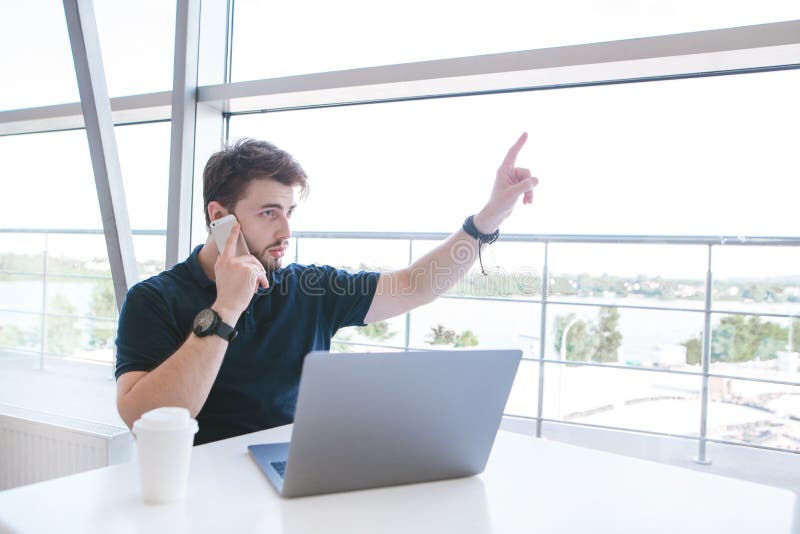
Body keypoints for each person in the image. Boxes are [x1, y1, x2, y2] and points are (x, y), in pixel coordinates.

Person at [115, 134, 539, 445]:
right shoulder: (153, 299)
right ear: (219, 216)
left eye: (289, 212)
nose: (286, 230)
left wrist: (488, 220)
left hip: (293, 480)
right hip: (200, 495)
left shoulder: (309, 288)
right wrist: (226, 308)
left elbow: (415, 286)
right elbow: (141, 418)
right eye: (269, 213)